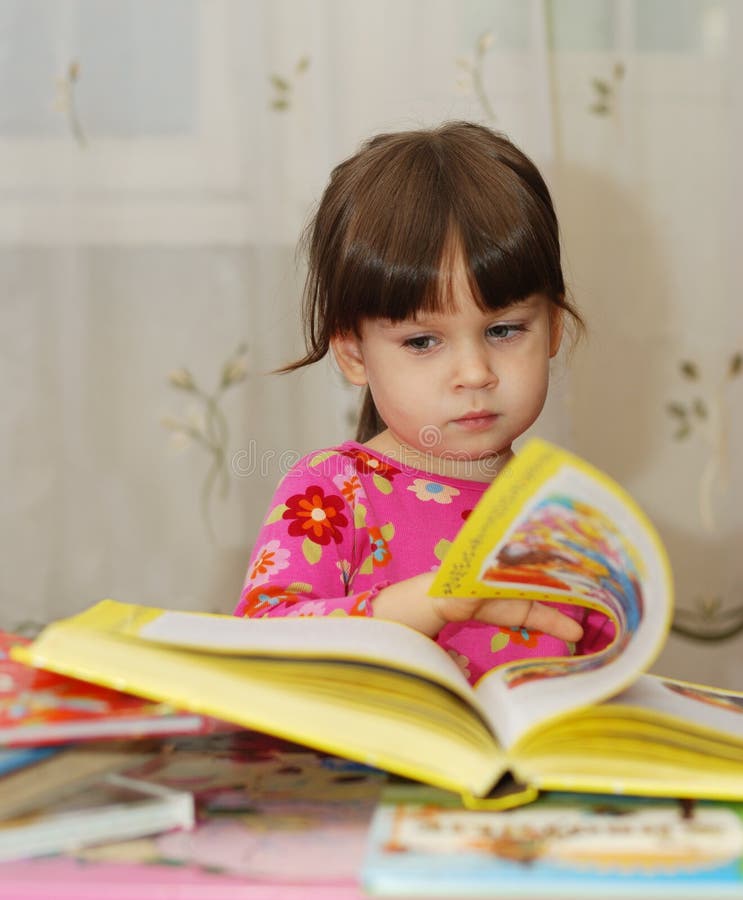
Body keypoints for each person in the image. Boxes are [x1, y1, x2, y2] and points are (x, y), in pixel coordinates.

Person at [234, 121, 613, 684]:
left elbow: (600, 679)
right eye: (421, 342)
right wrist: (425, 606)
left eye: (505, 330)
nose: (474, 373)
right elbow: (257, 645)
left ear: (554, 327)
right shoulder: (333, 490)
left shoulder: (564, 515)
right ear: (354, 354)